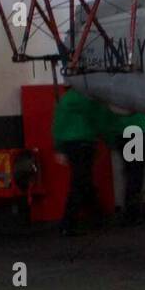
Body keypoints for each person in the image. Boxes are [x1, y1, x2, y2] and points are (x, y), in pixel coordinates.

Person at [52, 87, 118, 235]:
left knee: (82, 180)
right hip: (86, 143)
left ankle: (95, 217)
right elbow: (99, 120)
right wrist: (109, 140)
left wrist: (58, 147)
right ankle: (71, 222)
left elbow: (58, 123)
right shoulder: (91, 98)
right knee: (81, 182)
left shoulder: (66, 99)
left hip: (70, 145)